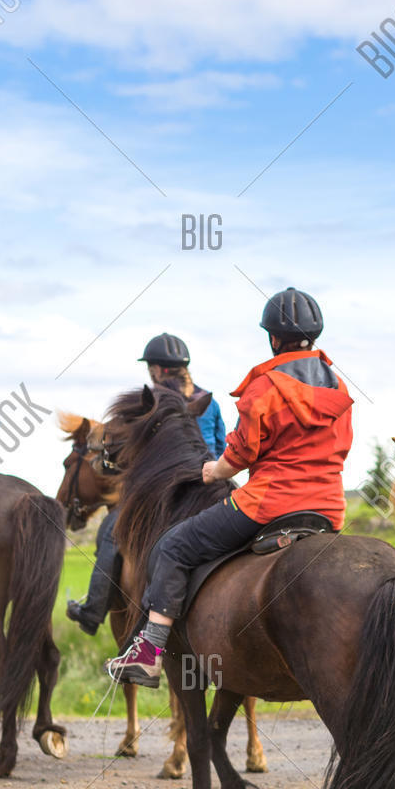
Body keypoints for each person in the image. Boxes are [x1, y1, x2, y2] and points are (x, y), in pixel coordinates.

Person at [107, 288, 351, 686]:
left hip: (268, 504)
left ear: (273, 338)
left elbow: (241, 452)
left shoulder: (266, 386)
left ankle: (148, 654)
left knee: (173, 546)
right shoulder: (337, 389)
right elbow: (341, 448)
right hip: (327, 508)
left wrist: (213, 472)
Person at [67, 332, 226, 636]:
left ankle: (92, 611)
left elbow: (135, 452)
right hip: (210, 489)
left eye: (150, 369)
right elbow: (219, 447)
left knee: (112, 532)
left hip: (164, 494)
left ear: (155, 369)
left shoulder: (150, 403)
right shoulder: (209, 402)